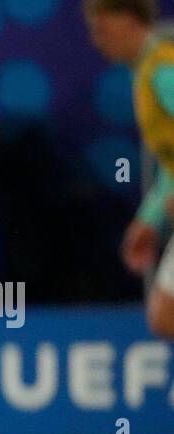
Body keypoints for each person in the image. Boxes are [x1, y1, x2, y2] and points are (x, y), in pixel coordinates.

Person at [85, 0, 174, 339]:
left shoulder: (164, 69)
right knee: (164, 316)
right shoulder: (146, 73)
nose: (97, 41)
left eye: (101, 28)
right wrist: (150, 219)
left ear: (129, 19)